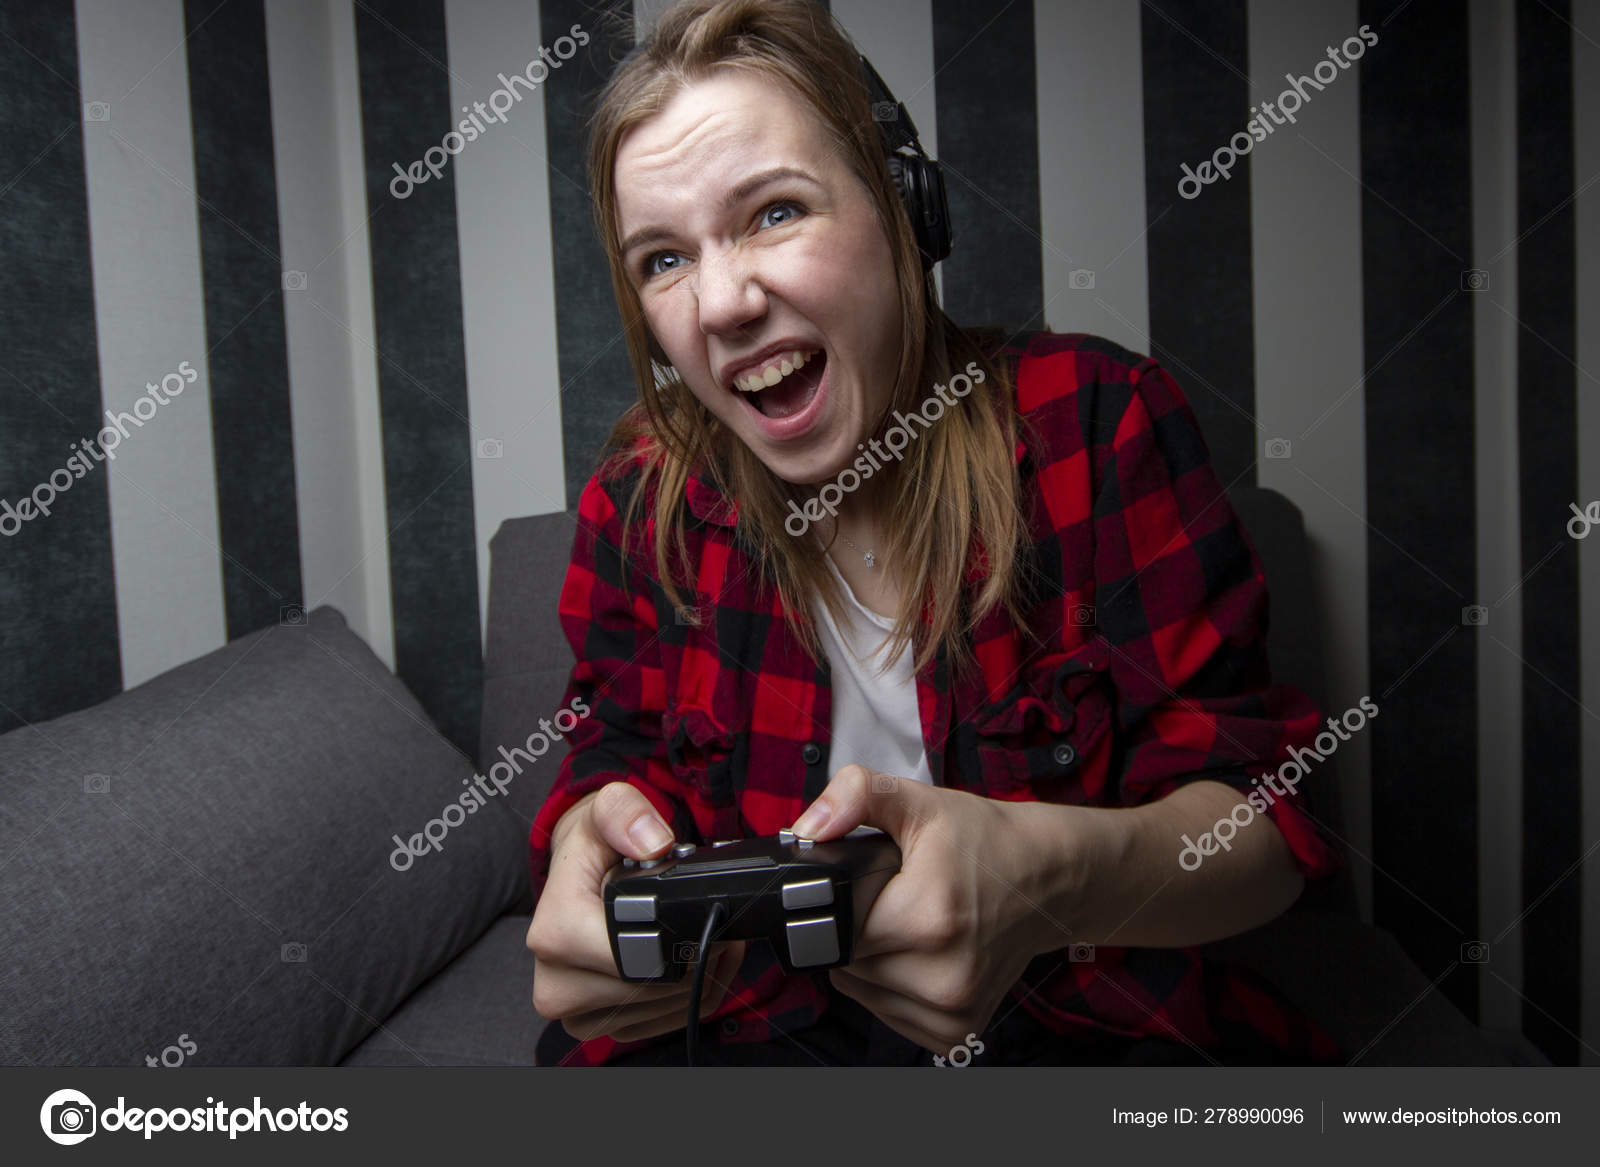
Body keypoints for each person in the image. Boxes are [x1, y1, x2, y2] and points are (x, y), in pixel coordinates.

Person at [525, 0, 1343, 1068]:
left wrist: (1042, 876)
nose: (721, 303)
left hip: (1074, 1042)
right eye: (663, 260)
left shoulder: (1095, 425)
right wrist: (589, 843)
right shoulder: (640, 498)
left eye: (774, 213)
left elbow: (1263, 840)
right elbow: (611, 757)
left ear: (903, 210)